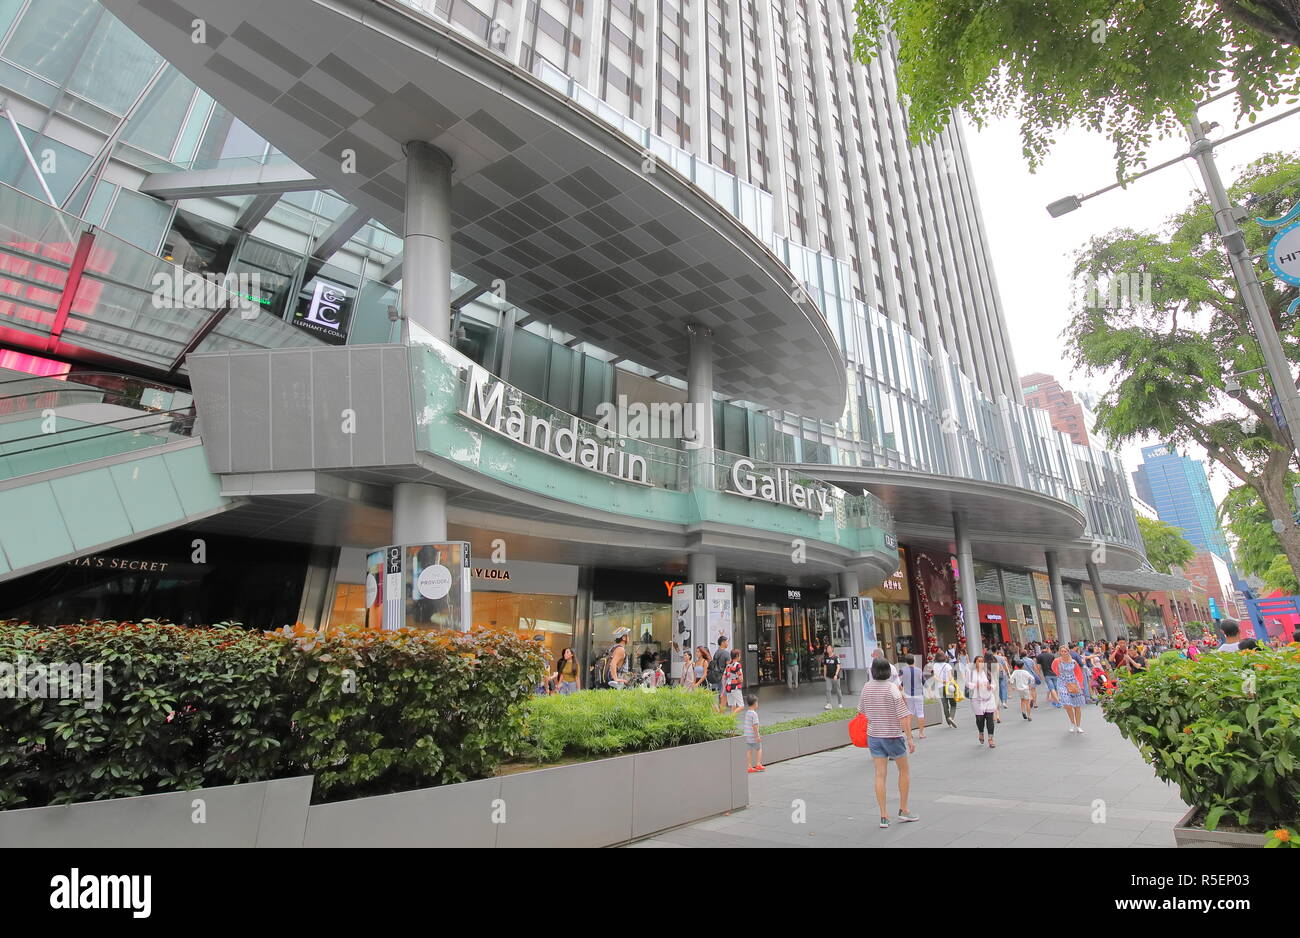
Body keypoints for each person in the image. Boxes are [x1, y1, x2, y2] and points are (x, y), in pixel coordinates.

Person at [858, 657, 918, 828]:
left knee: (879, 775)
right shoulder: (892, 688)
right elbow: (904, 717)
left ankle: (884, 816)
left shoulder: (866, 687)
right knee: (904, 771)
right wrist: (910, 738)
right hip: (892, 735)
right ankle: (904, 809)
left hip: (874, 736)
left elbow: (861, 711)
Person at [965, 654, 998, 749]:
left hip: (988, 698)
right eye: (979, 661)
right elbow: (967, 683)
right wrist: (976, 685)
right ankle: (981, 732)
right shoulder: (971, 673)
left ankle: (991, 739)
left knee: (990, 718)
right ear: (975, 662)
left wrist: (990, 687)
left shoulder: (987, 672)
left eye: (982, 661)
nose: (981, 663)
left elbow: (994, 684)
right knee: (980, 719)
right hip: (976, 699)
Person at [1053, 644, 1088, 733]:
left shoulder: (1073, 662)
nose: (1064, 653)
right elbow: (1053, 668)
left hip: (1073, 683)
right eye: (1062, 651)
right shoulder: (1057, 661)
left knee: (1077, 706)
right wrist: (1059, 676)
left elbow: (1078, 673)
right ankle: (1072, 722)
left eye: (1065, 651)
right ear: (1059, 652)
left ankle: (1078, 725)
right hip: (1062, 683)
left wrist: (1080, 684)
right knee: (1067, 704)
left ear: (1068, 652)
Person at [899, 653, 926, 738]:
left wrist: (901, 687)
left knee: (909, 713)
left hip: (908, 695)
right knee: (920, 713)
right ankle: (921, 733)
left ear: (906, 661)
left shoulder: (902, 670)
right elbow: (924, 682)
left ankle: (909, 733)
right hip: (918, 694)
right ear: (914, 660)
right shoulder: (919, 670)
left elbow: (900, 682)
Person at [929, 650, 958, 728]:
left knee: (945, 705)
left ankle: (949, 723)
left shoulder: (935, 666)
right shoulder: (947, 665)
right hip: (949, 686)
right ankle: (951, 717)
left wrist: (942, 681)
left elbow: (934, 677)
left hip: (940, 687)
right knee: (953, 704)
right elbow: (950, 677)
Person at [743, 694, 764, 773]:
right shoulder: (754, 714)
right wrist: (757, 736)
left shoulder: (747, 713)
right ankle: (758, 764)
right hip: (753, 736)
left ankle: (748, 766)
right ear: (755, 703)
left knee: (749, 750)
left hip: (747, 735)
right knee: (759, 748)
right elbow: (755, 726)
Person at [709, 636, 731, 707]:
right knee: (723, 694)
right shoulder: (726, 653)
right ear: (723, 643)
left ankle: (716, 710)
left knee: (715, 694)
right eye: (727, 642)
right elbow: (728, 667)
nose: (727, 643)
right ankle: (721, 712)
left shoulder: (716, 652)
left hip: (715, 676)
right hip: (722, 676)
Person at [724, 648, 745, 714]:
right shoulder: (737, 665)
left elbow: (724, 677)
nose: (740, 657)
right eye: (739, 655)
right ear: (737, 656)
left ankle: (731, 722)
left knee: (733, 706)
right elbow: (741, 678)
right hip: (735, 687)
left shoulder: (728, 665)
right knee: (741, 706)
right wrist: (737, 681)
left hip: (728, 687)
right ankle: (730, 718)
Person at [822, 643, 844, 709]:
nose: (827, 649)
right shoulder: (826, 658)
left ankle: (840, 703)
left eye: (829, 648)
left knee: (838, 690)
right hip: (828, 677)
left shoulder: (836, 658)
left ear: (832, 649)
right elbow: (825, 667)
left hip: (835, 677)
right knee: (828, 690)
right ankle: (829, 704)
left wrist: (836, 675)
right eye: (827, 648)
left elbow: (838, 667)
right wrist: (824, 675)